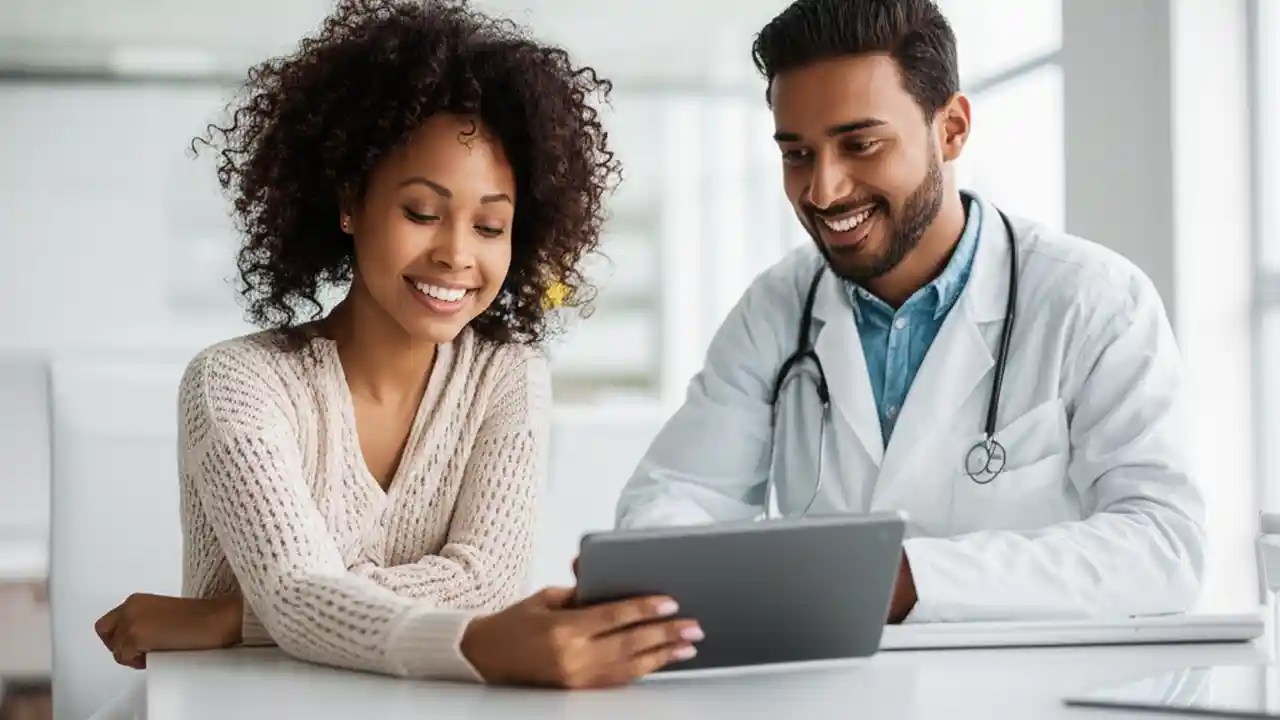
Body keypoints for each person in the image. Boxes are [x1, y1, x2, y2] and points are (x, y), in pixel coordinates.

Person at [94, 0, 702, 689]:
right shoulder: (235, 381)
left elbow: (488, 585)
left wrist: (232, 621)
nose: (455, 254)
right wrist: (286, 608)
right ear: (350, 200)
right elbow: (298, 593)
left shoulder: (506, 375)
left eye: (490, 226)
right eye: (421, 212)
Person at [615, 0, 1205, 623]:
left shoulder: (1095, 300)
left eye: (861, 144)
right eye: (797, 154)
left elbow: (1162, 546)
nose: (823, 189)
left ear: (950, 129)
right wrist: (661, 564)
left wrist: (905, 579)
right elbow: (673, 498)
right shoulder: (778, 308)